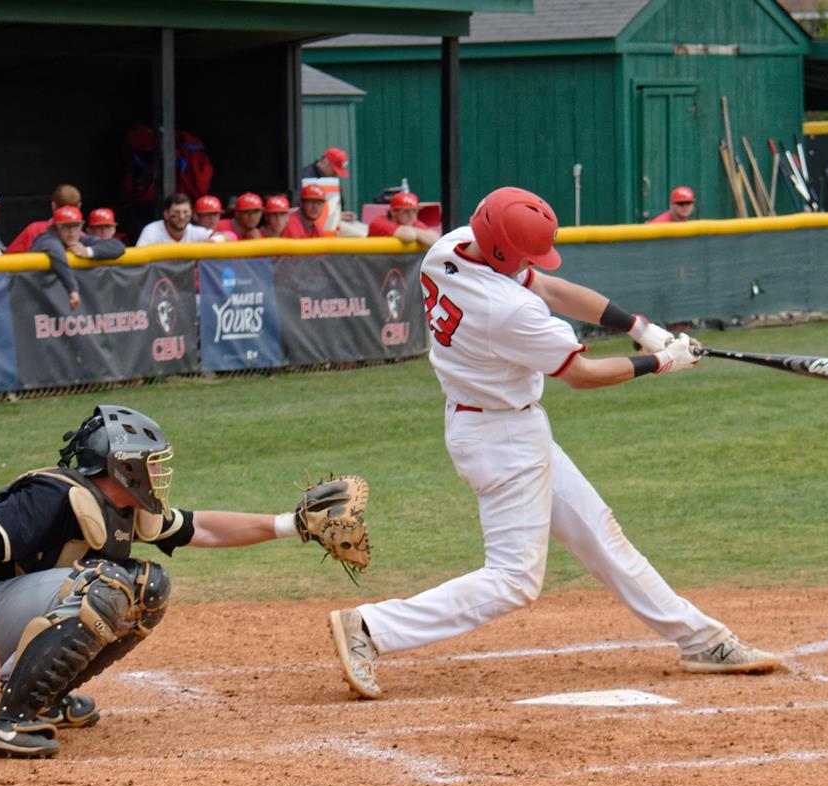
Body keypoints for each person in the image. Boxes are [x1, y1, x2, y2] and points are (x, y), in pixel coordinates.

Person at [325, 187, 779, 700]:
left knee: (601, 537)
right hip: (500, 440)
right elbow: (582, 374)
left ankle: (701, 640)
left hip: (502, 424)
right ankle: (371, 627)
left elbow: (554, 288)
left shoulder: (451, 247)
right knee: (514, 579)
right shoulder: (506, 310)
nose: (530, 264)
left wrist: (640, 328)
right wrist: (662, 362)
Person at [0, 406, 368, 758]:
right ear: (122, 466)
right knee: (105, 586)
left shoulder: (119, 509)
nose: (156, 472)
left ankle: (38, 699)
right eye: (149, 462)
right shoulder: (52, 495)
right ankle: (0, 721)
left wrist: (292, 525)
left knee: (148, 587)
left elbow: (202, 528)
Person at [30, 206, 124, 311]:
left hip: (67, 305)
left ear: (80, 227)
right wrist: (72, 289)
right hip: (36, 301)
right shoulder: (46, 239)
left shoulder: (80, 240)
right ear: (56, 229)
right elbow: (56, 251)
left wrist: (88, 252)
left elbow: (118, 247)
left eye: (75, 226)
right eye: (65, 226)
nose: (71, 231)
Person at [7, 184, 81, 254]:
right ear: (79, 206)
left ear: (53, 206)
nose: (70, 231)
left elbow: (7, 259)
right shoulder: (80, 236)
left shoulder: (34, 229)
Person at [366, 192, 438, 245]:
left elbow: (436, 239)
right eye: (406, 211)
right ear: (393, 212)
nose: (411, 216)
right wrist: (420, 234)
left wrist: (416, 232)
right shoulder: (379, 222)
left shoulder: (412, 223)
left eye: (414, 211)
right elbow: (409, 236)